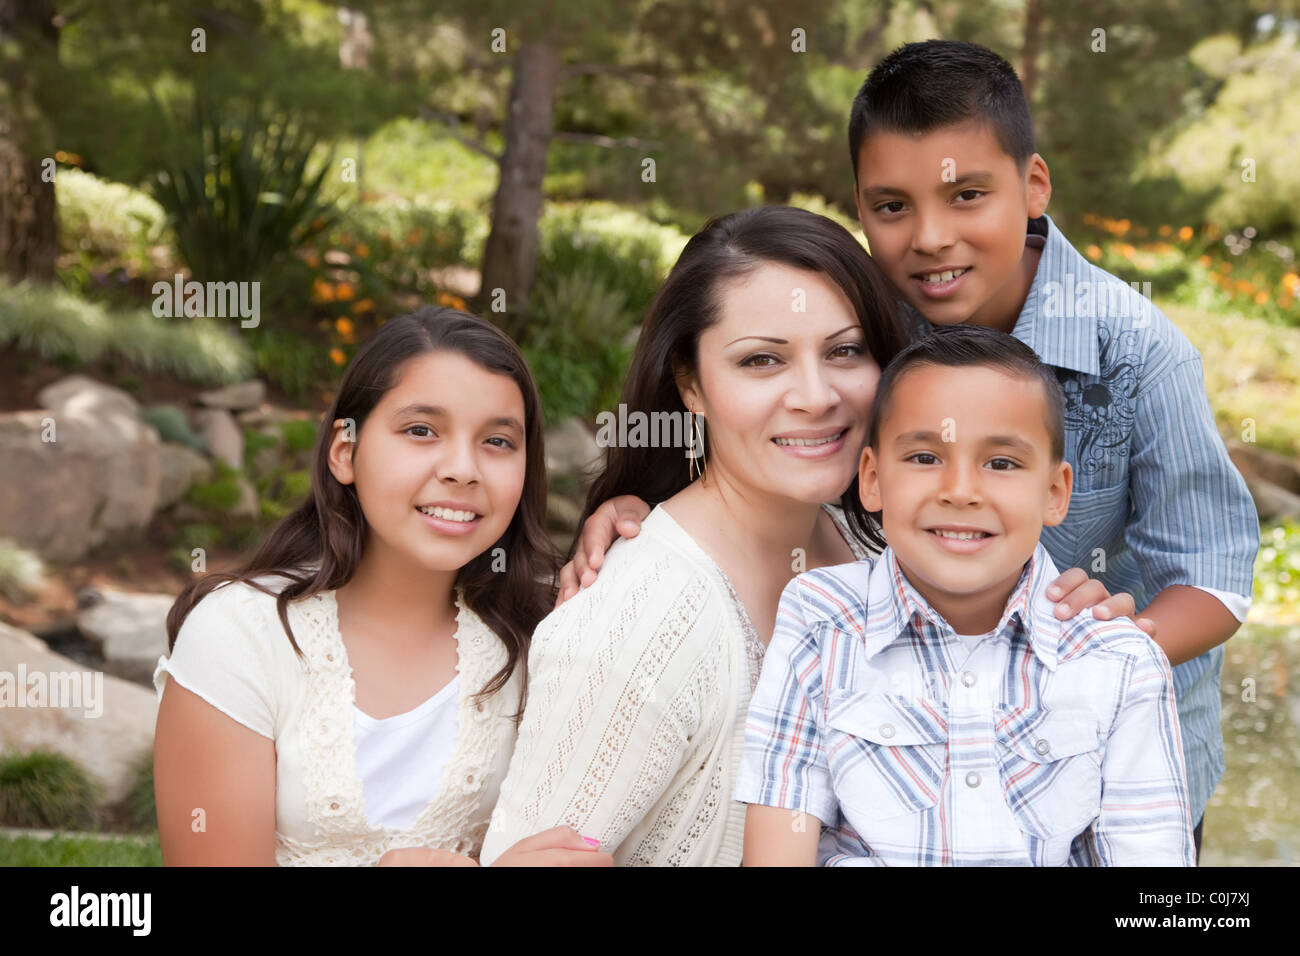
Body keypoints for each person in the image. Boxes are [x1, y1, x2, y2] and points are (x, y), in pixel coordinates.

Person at [564, 40, 1260, 857]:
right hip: (908, 756)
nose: (931, 238)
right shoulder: (873, 322)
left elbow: (1212, 574)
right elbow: (775, 425)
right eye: (892, 207)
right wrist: (645, 502)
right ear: (858, 203)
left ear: (1033, 186)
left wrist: (1096, 654)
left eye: (967, 195)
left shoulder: (1138, 351)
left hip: (1099, 769)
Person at [479, 206, 911, 866]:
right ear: (691, 384)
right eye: (762, 360)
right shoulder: (638, 626)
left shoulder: (880, 541)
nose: (817, 395)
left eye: (845, 351)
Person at [153, 307, 611, 867]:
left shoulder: (548, 624)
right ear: (345, 452)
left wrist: (635, 523)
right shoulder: (241, 636)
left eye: (497, 441)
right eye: (421, 430)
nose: (462, 469)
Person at [737, 325, 1196, 866]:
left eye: (1001, 463)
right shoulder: (823, 620)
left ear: (1055, 493)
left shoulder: (1119, 661)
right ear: (872, 478)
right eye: (925, 458)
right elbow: (777, 852)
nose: (959, 491)